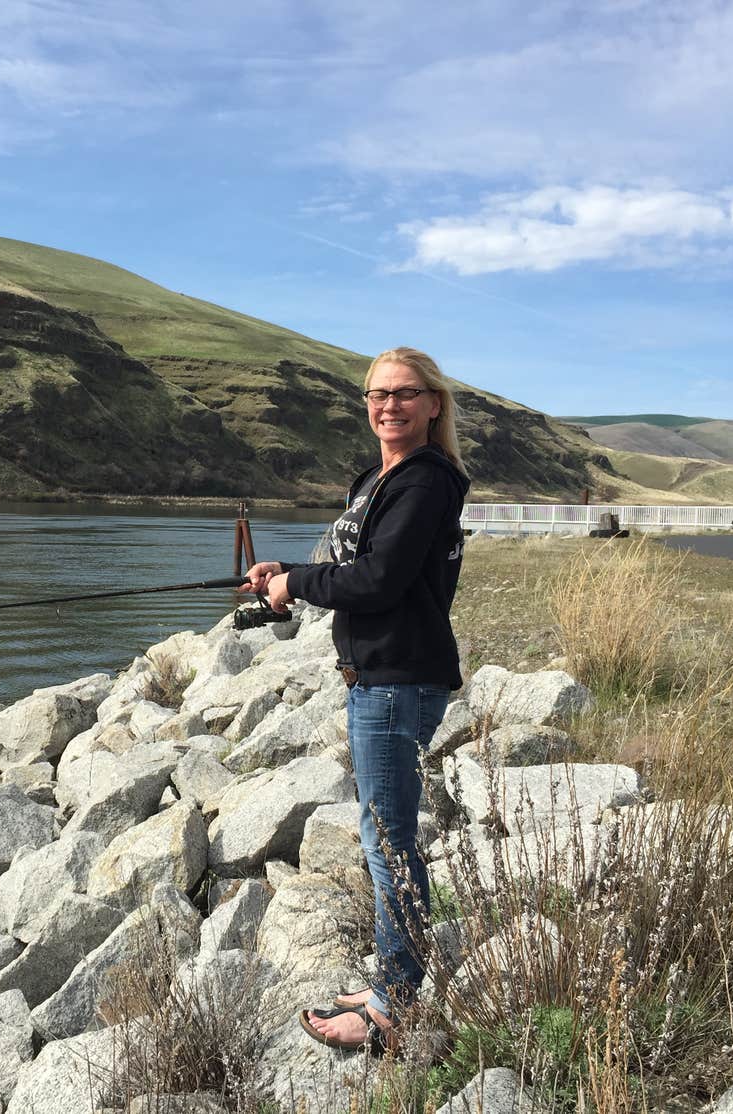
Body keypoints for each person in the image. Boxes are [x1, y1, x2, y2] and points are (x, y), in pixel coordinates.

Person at [240, 346, 469, 1055]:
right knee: (384, 835)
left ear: (433, 403)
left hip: (398, 678)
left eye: (405, 393)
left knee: (389, 841)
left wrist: (297, 587)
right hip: (375, 676)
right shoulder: (378, 478)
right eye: (377, 393)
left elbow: (378, 582)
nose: (389, 405)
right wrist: (288, 572)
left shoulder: (426, 480)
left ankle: (394, 1005)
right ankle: (391, 985)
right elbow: (352, 564)